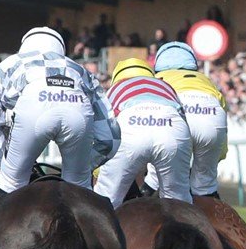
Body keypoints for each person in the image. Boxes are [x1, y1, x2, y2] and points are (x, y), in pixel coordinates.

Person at [0, 27, 118, 249]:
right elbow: (110, 137)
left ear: (24, 47)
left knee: (10, 181)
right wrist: (85, 166)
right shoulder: (79, 69)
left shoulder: (10, 63)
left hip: (34, 106)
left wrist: (7, 160)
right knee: (79, 189)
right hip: (78, 111)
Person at [94, 57, 194, 207]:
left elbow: (103, 137)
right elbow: (185, 129)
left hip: (130, 129)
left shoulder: (114, 89)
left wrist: (98, 172)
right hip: (172, 128)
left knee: (104, 202)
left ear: (116, 78)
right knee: (180, 204)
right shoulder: (165, 86)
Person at [153, 41, 230, 200]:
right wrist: (214, 159)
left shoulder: (156, 79)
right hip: (209, 117)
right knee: (205, 187)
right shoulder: (207, 81)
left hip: (170, 123)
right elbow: (222, 141)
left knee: (160, 182)